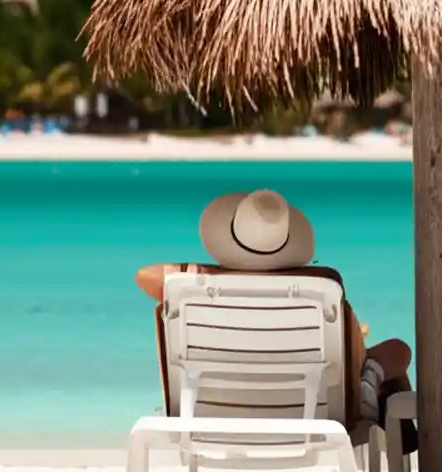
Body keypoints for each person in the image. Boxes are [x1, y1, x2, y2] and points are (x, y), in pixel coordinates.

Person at [134, 189, 417, 451]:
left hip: (208, 417)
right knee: (397, 350)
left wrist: (213, 273)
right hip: (312, 419)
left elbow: (146, 276)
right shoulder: (321, 284)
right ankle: (373, 383)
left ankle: (372, 380)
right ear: (286, 241)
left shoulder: (192, 287)